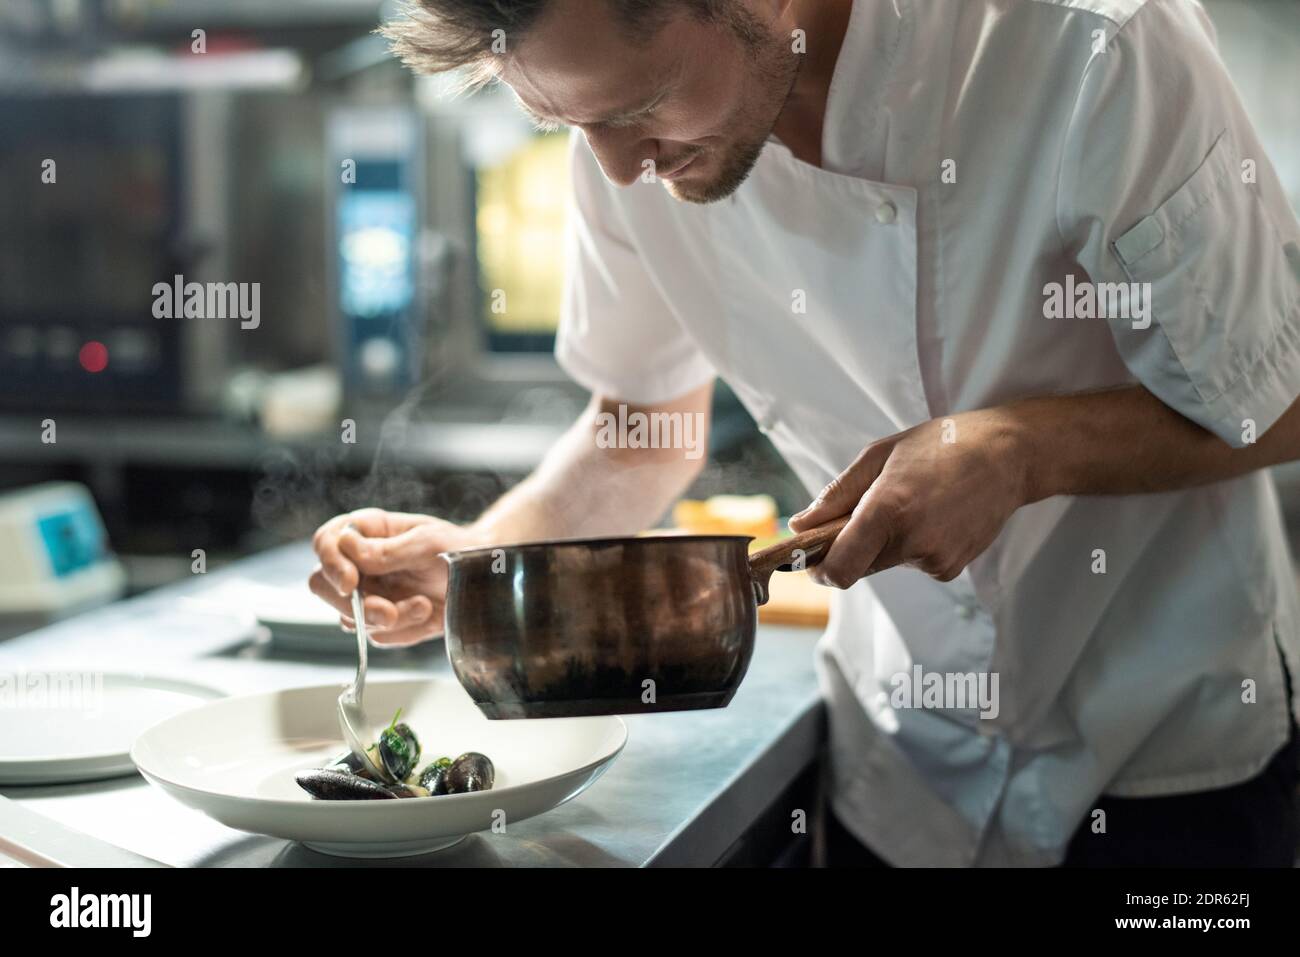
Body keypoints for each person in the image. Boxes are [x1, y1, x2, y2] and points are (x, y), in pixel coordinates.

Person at [311, 0, 1300, 866]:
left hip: (1166, 756)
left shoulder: (1094, 44)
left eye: (633, 110)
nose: (612, 170)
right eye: (562, 122)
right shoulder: (616, 152)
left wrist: (1020, 450)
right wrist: (490, 567)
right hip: (902, 767)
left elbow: (1279, 391)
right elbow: (640, 428)